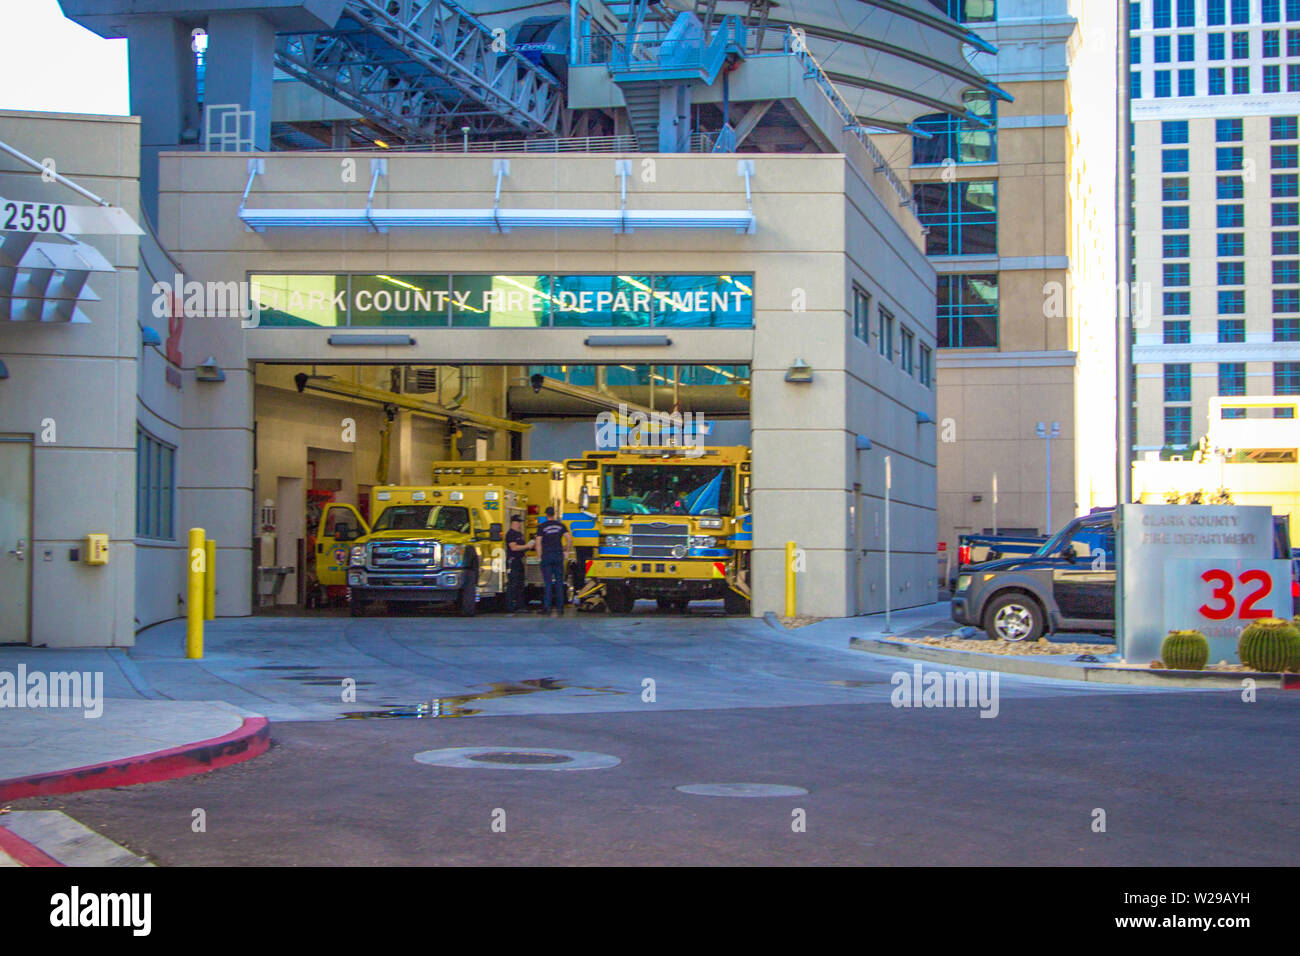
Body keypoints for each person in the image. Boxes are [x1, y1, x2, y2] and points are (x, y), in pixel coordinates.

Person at [534, 506, 571, 618]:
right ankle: (560, 608)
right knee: (559, 582)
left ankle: (547, 608)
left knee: (548, 583)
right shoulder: (560, 525)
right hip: (558, 555)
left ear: (546, 514)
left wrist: (539, 556)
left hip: (547, 556)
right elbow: (569, 538)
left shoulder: (542, 526)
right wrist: (567, 551)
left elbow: (538, 542)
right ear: (554, 514)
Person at [504, 513, 529, 613]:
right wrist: (526, 546)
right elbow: (513, 547)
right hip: (512, 560)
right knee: (512, 584)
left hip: (519, 561)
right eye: (518, 522)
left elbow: (521, 547)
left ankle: (520, 605)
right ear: (513, 522)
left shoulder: (519, 534)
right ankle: (509, 606)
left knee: (520, 584)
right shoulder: (510, 534)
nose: (519, 524)